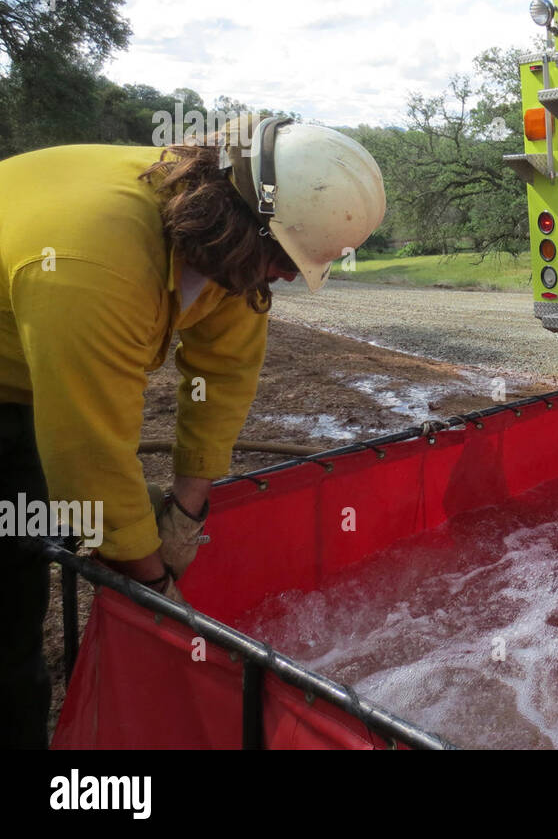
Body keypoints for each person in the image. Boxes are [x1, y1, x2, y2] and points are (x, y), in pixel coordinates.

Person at [0, 116, 386, 748]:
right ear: (245, 223)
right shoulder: (92, 261)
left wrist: (188, 508)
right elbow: (90, 456)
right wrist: (161, 597)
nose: (287, 278)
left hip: (23, 375)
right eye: (283, 260)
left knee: (30, 542)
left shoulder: (221, 238)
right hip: (24, 363)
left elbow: (224, 374)